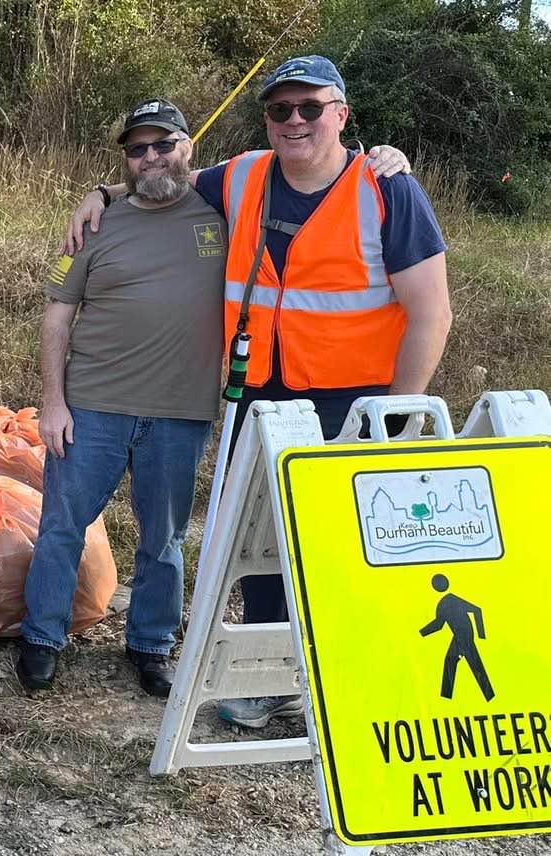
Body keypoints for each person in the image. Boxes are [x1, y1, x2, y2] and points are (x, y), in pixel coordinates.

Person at [66, 56, 452, 726]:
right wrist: (101, 194)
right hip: (261, 397)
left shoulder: (387, 189)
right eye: (281, 109)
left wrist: (398, 410)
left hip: (356, 403)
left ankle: (349, 686)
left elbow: (432, 312)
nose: (294, 121)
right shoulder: (242, 176)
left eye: (310, 107)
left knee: (344, 548)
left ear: (341, 113)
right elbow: (161, 182)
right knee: (262, 543)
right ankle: (274, 680)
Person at [18, 100, 224, 698]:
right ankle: (42, 637)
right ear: (125, 160)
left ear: (188, 147)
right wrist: (53, 403)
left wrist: (385, 163)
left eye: (163, 144)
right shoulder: (94, 225)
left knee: (163, 536)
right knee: (62, 524)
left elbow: (300, 166)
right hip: (93, 406)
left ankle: (152, 645)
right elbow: (58, 316)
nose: (151, 157)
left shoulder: (224, 209)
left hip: (180, 412)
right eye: (137, 149)